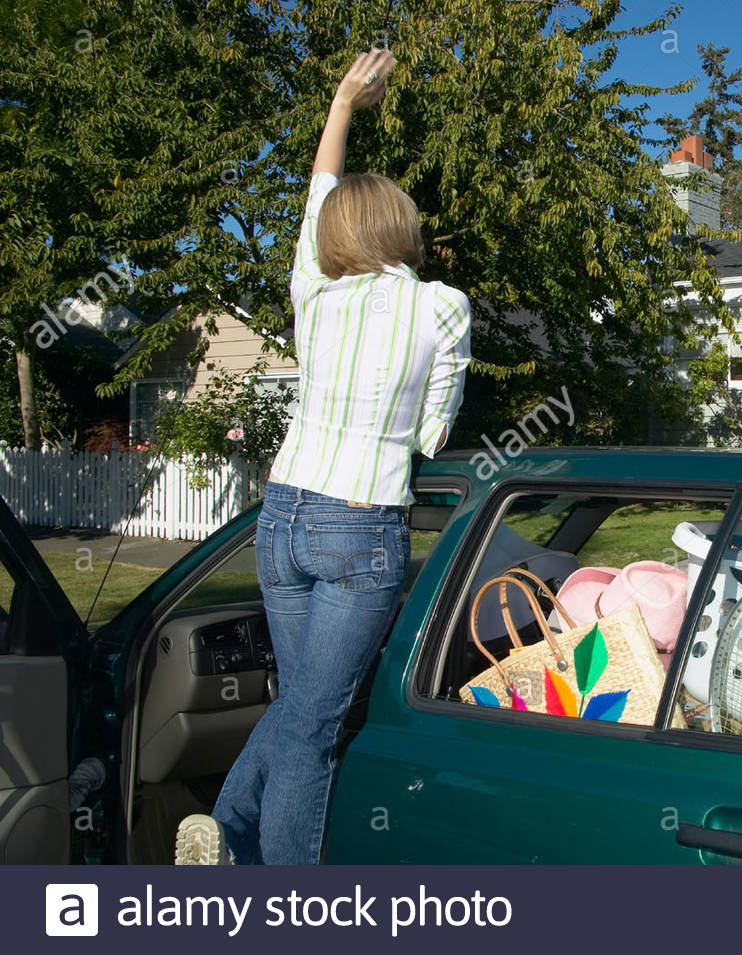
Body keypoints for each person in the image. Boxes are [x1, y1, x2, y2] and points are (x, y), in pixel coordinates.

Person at [174, 49, 472, 865]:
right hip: (357, 527)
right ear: (401, 227)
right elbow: (432, 435)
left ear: (341, 234)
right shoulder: (443, 307)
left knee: (302, 704)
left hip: (282, 520)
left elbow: (314, 200)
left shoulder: (315, 293)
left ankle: (226, 833)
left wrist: (342, 103)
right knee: (311, 725)